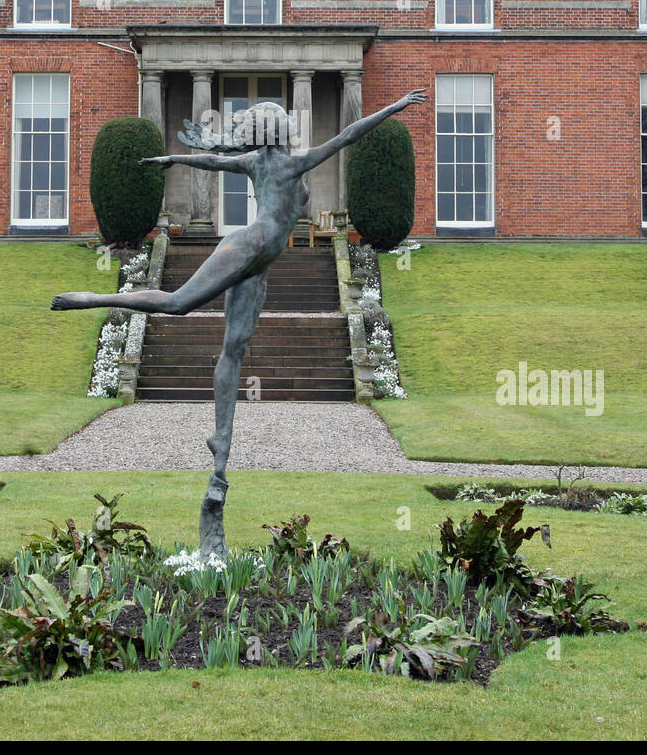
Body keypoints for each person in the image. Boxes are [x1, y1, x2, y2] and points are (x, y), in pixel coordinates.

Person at [52, 86, 427, 555]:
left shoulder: (263, 161)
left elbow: (213, 161)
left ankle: (220, 450)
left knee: (235, 346)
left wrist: (175, 157)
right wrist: (392, 108)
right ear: (280, 133)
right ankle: (92, 297)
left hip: (260, 264)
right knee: (178, 304)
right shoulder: (288, 163)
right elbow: (348, 135)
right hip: (247, 247)